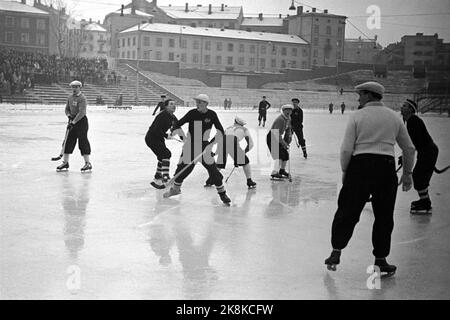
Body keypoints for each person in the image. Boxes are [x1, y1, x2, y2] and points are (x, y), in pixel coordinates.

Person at [324, 81, 416, 276]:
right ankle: (381, 259)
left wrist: (345, 170)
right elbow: (408, 148)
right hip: (386, 167)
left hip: (360, 166)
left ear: (368, 95)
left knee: (347, 210)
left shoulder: (357, 116)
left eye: (360, 94)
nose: (358, 98)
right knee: (384, 215)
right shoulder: (394, 117)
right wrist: (407, 173)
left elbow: (347, 148)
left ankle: (336, 251)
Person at [163, 94, 231, 204]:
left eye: (200, 102)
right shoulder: (192, 113)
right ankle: (175, 190)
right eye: (197, 102)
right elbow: (178, 123)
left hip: (204, 146)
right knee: (182, 170)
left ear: (206, 104)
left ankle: (223, 194)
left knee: (214, 172)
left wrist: (210, 144)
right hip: (190, 146)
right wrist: (171, 131)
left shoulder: (212, 114)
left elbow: (220, 132)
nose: (197, 104)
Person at [400, 99, 445, 214]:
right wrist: (404, 156)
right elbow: (413, 143)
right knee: (419, 176)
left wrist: (405, 156)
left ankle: (425, 203)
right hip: (427, 152)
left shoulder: (413, 121)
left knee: (419, 177)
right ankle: (425, 201)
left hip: (428, 152)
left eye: (404, 106)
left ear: (410, 109)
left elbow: (413, 143)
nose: (401, 107)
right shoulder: (410, 121)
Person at [206, 116, 256, 189]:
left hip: (222, 142)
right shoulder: (244, 129)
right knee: (246, 162)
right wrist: (243, 153)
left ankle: (210, 180)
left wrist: (215, 153)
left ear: (235, 122)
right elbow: (250, 144)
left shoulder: (228, 128)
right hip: (233, 142)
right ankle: (249, 181)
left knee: (220, 164)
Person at [56, 80, 93, 172]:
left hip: (81, 122)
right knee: (68, 141)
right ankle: (65, 162)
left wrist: (74, 122)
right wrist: (68, 115)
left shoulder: (82, 98)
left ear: (80, 88)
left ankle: (87, 163)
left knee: (82, 141)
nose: (74, 89)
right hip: (72, 120)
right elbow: (67, 109)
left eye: (76, 87)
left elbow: (82, 112)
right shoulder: (70, 97)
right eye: (73, 87)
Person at [146, 99, 180, 188]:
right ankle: (165, 177)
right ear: (166, 106)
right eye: (171, 104)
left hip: (159, 138)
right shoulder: (161, 116)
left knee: (162, 156)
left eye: (175, 104)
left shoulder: (173, 117)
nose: (174, 106)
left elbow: (178, 128)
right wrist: (165, 135)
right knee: (166, 154)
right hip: (151, 138)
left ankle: (158, 175)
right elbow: (155, 129)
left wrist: (184, 139)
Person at [266, 104, 293, 179]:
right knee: (278, 155)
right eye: (286, 110)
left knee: (285, 154)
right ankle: (274, 172)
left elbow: (288, 130)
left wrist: (288, 140)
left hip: (278, 137)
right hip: (272, 137)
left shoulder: (288, 118)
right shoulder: (280, 119)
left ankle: (282, 170)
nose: (288, 112)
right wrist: (283, 143)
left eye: (290, 110)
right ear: (283, 111)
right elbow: (275, 133)